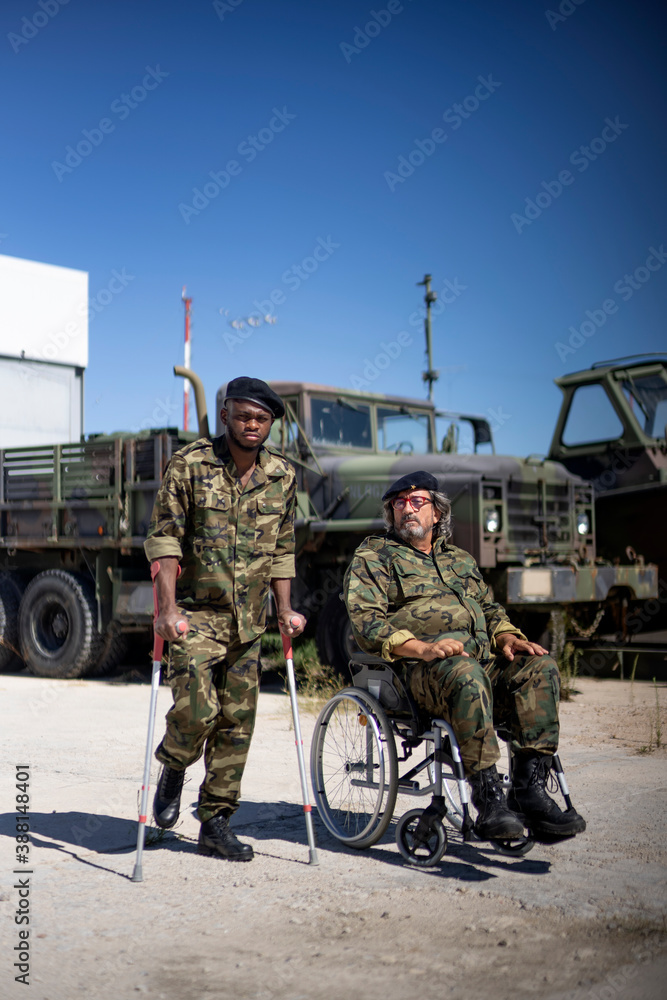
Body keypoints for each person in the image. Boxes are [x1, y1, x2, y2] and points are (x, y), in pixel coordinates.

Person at [344, 470, 586, 842]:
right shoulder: (375, 555)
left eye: (418, 502)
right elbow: (366, 624)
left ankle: (529, 791)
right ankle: (488, 797)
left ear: (437, 513)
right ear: (392, 514)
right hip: (421, 673)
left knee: (540, 667)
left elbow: (490, 609)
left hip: (478, 663)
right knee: (465, 673)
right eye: (399, 504)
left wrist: (507, 634)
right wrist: (422, 648)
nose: (408, 509)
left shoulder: (461, 559)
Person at [144, 376, 305, 862]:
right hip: (195, 615)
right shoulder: (190, 465)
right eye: (242, 415)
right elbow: (165, 540)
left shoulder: (283, 476)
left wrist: (284, 610)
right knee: (197, 712)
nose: (251, 425)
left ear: (271, 423)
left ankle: (215, 823)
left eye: (260, 418)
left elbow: (283, 548)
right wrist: (167, 609)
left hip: (250, 623)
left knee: (237, 725)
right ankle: (174, 766)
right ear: (226, 417)